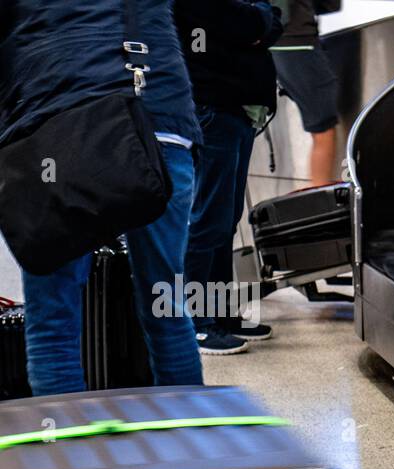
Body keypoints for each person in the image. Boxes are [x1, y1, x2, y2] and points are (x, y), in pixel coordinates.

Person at [0, 0, 205, 396]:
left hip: (57, 130)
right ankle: (189, 443)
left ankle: (67, 450)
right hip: (158, 119)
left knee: (53, 321)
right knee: (166, 305)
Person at [175, 0, 284, 355]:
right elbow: (233, 21)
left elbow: (272, 19)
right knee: (208, 218)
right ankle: (195, 322)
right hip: (212, 105)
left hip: (237, 109)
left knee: (225, 218)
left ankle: (221, 313)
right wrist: (255, 23)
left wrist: (258, 23)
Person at [270, 0, 342, 188]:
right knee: (323, 129)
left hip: (282, 42)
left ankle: (320, 193)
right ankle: (320, 199)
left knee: (321, 128)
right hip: (298, 42)